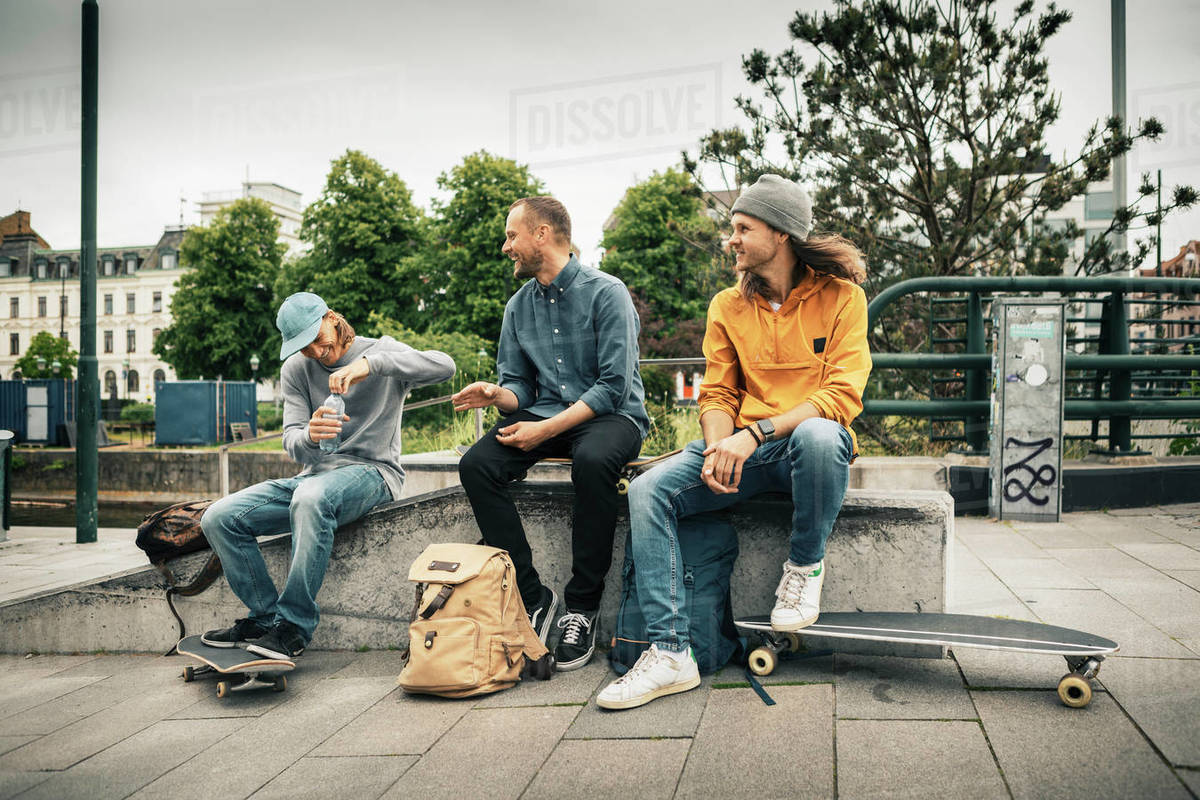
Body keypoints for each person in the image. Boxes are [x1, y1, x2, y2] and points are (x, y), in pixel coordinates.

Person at [597, 175, 872, 709]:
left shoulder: (844, 299)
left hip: (801, 450)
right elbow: (719, 392)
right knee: (647, 491)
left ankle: (804, 568)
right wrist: (719, 447)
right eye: (733, 228)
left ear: (781, 233)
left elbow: (840, 395)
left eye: (743, 228)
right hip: (743, 449)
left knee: (821, 435)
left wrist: (755, 434)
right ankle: (671, 652)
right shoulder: (727, 305)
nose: (732, 239)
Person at [200, 292, 455, 660]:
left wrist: (372, 365)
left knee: (310, 498)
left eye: (318, 339)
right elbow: (292, 441)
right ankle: (265, 618)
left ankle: (293, 627)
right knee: (219, 517)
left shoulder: (381, 352)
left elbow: (445, 366)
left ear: (332, 318)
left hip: (374, 473)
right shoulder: (296, 369)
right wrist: (309, 435)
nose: (316, 352)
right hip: (313, 478)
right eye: (304, 347)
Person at [453, 196, 649, 671]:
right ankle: (533, 596)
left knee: (593, 461)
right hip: (544, 413)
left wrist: (543, 430)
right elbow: (520, 385)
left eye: (511, 235)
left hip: (612, 417)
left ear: (541, 234)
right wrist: (498, 395)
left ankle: (582, 608)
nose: (506, 247)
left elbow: (613, 386)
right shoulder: (518, 307)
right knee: (477, 465)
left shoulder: (608, 293)